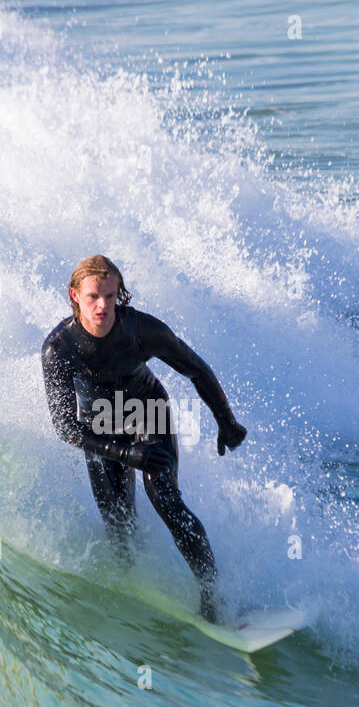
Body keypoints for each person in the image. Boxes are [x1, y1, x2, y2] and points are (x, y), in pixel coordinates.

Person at [41, 254, 247, 623]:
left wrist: (226, 422)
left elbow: (196, 369)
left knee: (166, 501)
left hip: (146, 411)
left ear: (119, 292)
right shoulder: (59, 347)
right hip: (97, 428)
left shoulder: (143, 330)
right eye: (92, 297)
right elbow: (65, 427)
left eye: (110, 295)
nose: (103, 305)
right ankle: (139, 594)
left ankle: (212, 596)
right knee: (120, 530)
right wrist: (124, 453)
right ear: (75, 296)